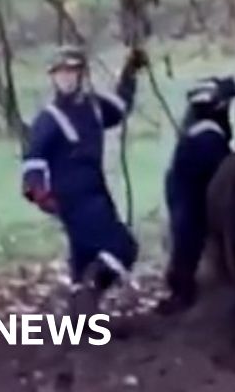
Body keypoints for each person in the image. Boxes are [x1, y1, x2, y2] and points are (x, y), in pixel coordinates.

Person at [21, 44, 148, 314]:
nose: (66, 78)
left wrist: (130, 73)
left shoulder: (94, 107)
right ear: (53, 78)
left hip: (96, 191)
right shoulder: (49, 118)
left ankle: (80, 316)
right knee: (123, 248)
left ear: (81, 75)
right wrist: (39, 193)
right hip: (72, 198)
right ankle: (88, 297)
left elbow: (120, 107)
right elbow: (33, 160)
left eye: (72, 72)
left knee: (84, 258)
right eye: (61, 73)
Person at [156, 76, 235, 315]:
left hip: (185, 185)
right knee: (188, 239)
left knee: (188, 237)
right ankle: (181, 292)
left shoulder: (196, 124)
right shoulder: (208, 135)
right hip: (189, 191)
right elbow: (223, 166)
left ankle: (183, 288)